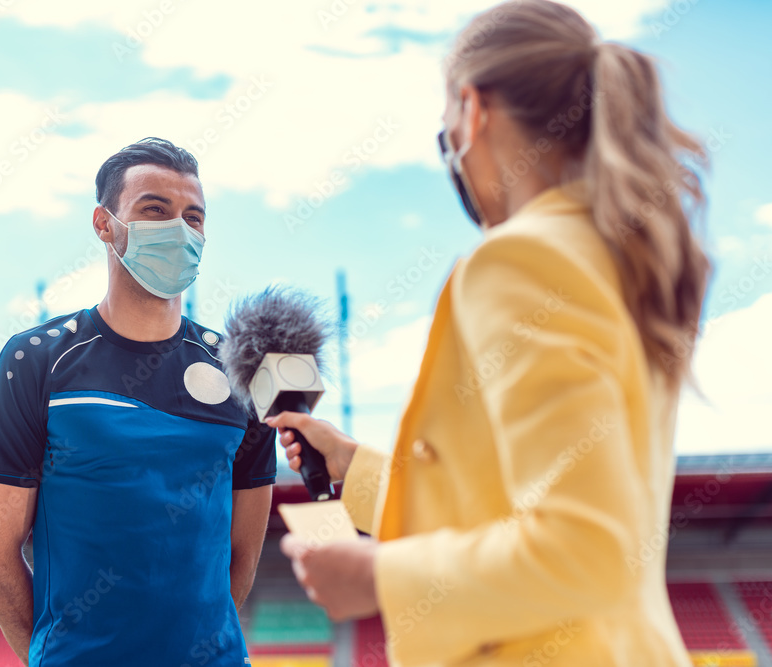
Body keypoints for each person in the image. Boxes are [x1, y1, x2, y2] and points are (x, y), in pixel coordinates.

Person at [267, 1, 710, 665]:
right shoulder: (614, 257)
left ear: (472, 111)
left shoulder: (518, 260)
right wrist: (355, 468)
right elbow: (519, 501)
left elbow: (585, 545)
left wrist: (376, 575)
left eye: (446, 127)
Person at [0, 137, 277, 665]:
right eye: (154, 210)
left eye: (193, 217)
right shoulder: (37, 361)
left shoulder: (240, 372)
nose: (179, 230)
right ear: (104, 223)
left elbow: (243, 554)